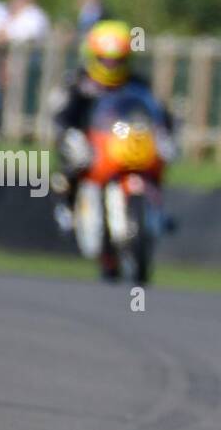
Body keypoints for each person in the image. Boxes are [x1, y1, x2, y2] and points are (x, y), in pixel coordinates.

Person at [47, 20, 175, 266]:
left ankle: (156, 213)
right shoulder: (77, 83)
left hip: (125, 143)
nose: (111, 65)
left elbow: (156, 113)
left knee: (157, 163)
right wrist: (70, 134)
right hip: (91, 142)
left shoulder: (137, 85)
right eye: (105, 59)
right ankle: (67, 207)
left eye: (117, 59)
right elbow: (61, 116)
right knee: (73, 164)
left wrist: (163, 132)